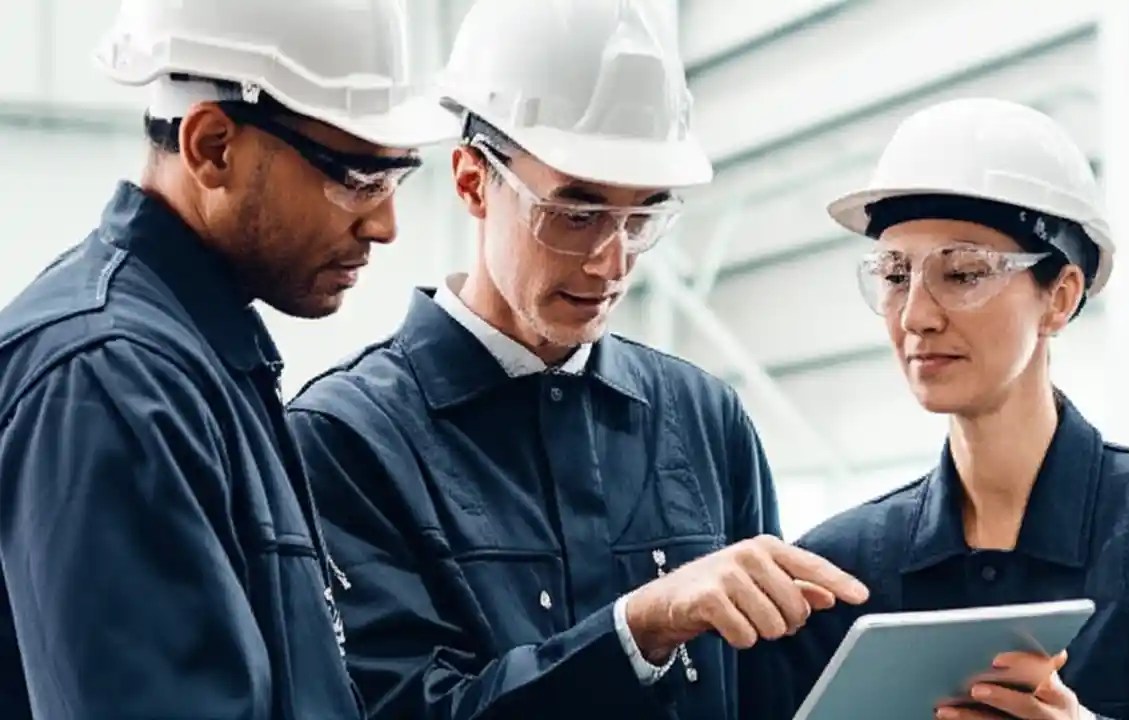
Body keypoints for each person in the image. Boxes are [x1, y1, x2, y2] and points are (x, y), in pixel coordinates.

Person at [285, 1, 868, 718]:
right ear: (471, 179)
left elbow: (771, 695)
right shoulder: (343, 440)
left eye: (643, 215)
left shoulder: (705, 418)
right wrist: (640, 629)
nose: (610, 261)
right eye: (576, 213)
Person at [738, 97, 1129, 720]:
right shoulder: (840, 574)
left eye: (964, 273)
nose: (916, 315)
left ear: (1060, 297)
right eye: (894, 275)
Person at [0, 1, 455, 717]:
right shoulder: (109, 380)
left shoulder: (201, 364)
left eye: (398, 178)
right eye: (358, 178)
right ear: (212, 146)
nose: (385, 224)